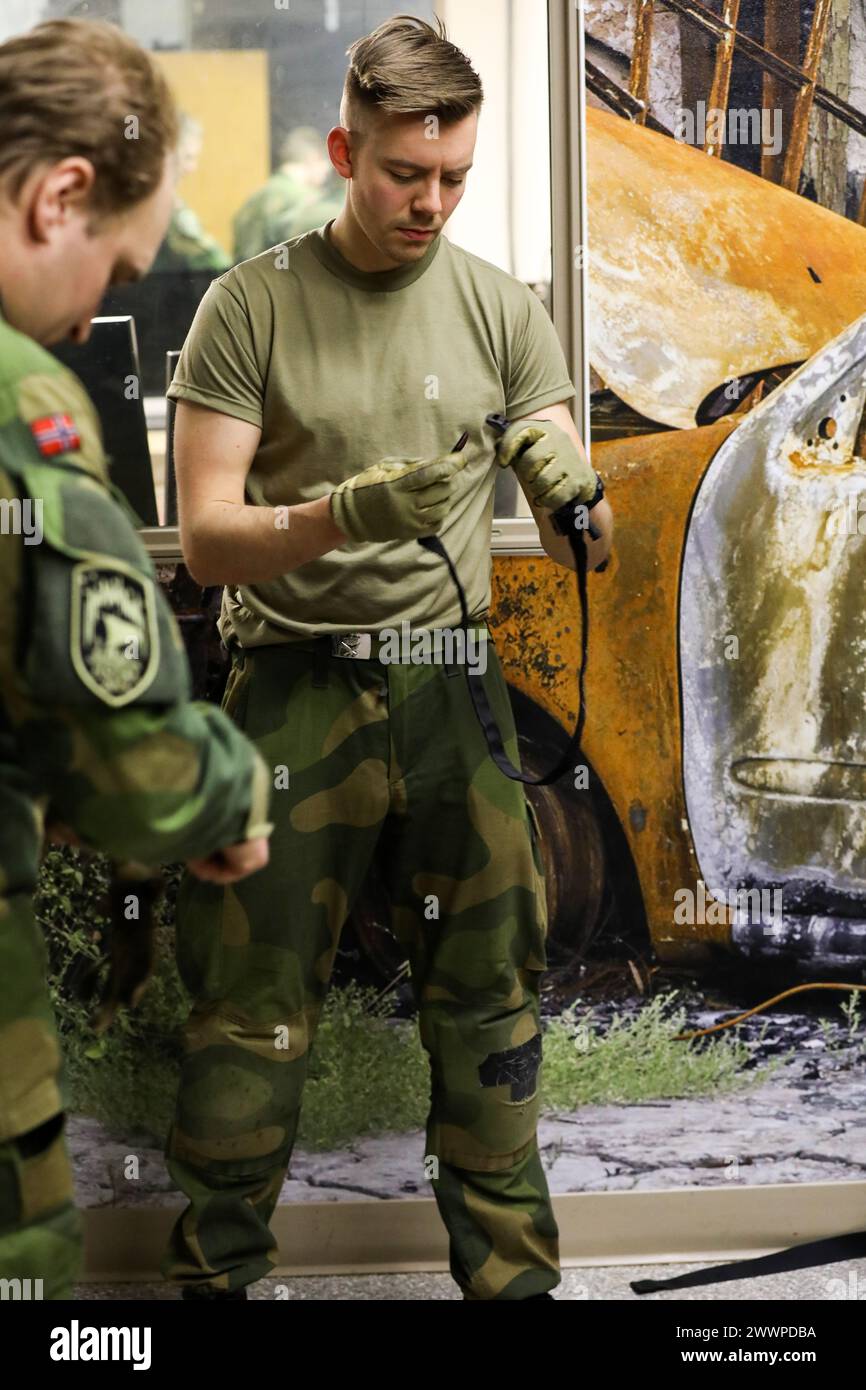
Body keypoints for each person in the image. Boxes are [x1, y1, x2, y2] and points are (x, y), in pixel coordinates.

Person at [165, 14, 614, 1301]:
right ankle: (215, 1285)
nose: (430, 202)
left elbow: (545, 441)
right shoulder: (247, 305)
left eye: (454, 176)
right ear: (341, 150)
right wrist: (339, 515)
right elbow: (203, 541)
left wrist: (568, 484)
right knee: (249, 1016)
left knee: (490, 1012)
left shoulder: (494, 306)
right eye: (402, 174)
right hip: (296, 687)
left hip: (451, 691)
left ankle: (513, 1286)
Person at [0, 18, 273, 1300]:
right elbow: (125, 743)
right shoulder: (24, 412)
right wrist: (221, 796)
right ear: (60, 194)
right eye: (115, 254)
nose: (106, 294)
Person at [231, 126, 343, 262]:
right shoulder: (309, 200)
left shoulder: (256, 196)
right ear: (314, 158)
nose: (326, 176)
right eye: (326, 168)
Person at [153, 113, 230, 274]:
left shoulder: (165, 202)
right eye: (188, 157)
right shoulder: (161, 204)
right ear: (166, 154)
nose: (191, 168)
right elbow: (211, 260)